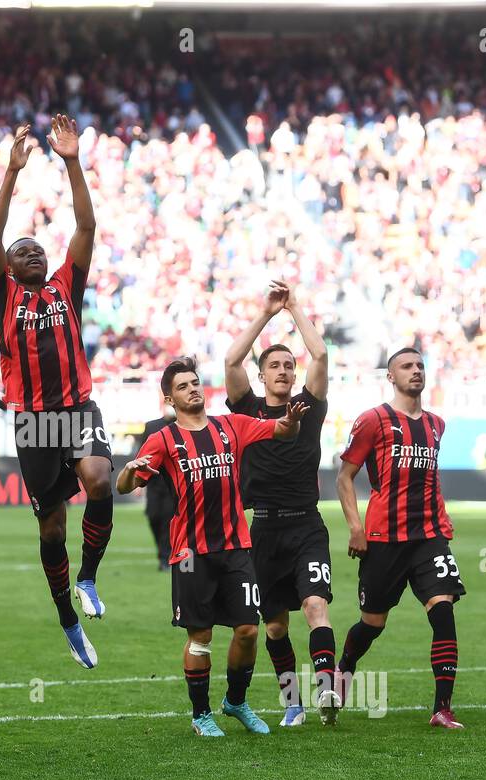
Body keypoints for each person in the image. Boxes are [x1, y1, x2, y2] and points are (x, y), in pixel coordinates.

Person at [0, 116, 112, 669]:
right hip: (33, 421)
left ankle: (88, 577)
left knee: (99, 478)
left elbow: (86, 226)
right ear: (8, 269)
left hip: (77, 407)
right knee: (52, 525)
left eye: (38, 247)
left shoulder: (65, 286)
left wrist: (73, 162)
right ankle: (67, 621)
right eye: (23, 250)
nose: (33, 251)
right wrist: (11, 174)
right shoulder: (3, 299)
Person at [117, 357, 304, 737]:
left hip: (236, 546)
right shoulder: (164, 440)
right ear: (170, 398)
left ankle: (236, 701)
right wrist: (126, 470)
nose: (193, 389)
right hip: (189, 552)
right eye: (183, 386)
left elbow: (281, 431)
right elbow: (124, 486)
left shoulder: (230, 426)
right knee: (200, 636)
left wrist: (293, 421)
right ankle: (201, 714)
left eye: (195, 382)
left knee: (248, 630)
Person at [224, 280, 339, 726]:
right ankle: (293, 701)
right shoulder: (246, 410)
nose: (285, 371)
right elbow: (232, 360)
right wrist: (267, 313)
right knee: (273, 627)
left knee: (315, 606)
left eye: (290, 365)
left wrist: (295, 309)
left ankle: (328, 687)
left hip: (307, 526)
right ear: (262, 374)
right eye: (275, 365)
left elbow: (322, 356)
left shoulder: (309, 408)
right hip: (263, 530)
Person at [336, 348, 467, 730]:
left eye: (420, 366)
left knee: (443, 611)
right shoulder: (373, 420)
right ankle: (346, 666)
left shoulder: (436, 424)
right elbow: (345, 477)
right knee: (373, 623)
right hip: (383, 539)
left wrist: (442, 516)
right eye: (407, 367)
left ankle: (442, 707)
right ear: (391, 377)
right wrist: (355, 528)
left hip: (429, 537)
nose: (416, 372)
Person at [135, 404, 176, 570]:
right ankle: (162, 551)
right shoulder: (151, 426)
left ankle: (165, 558)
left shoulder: (181, 425)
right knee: (153, 517)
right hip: (153, 480)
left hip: (172, 482)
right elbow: (142, 453)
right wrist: (137, 481)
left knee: (167, 519)